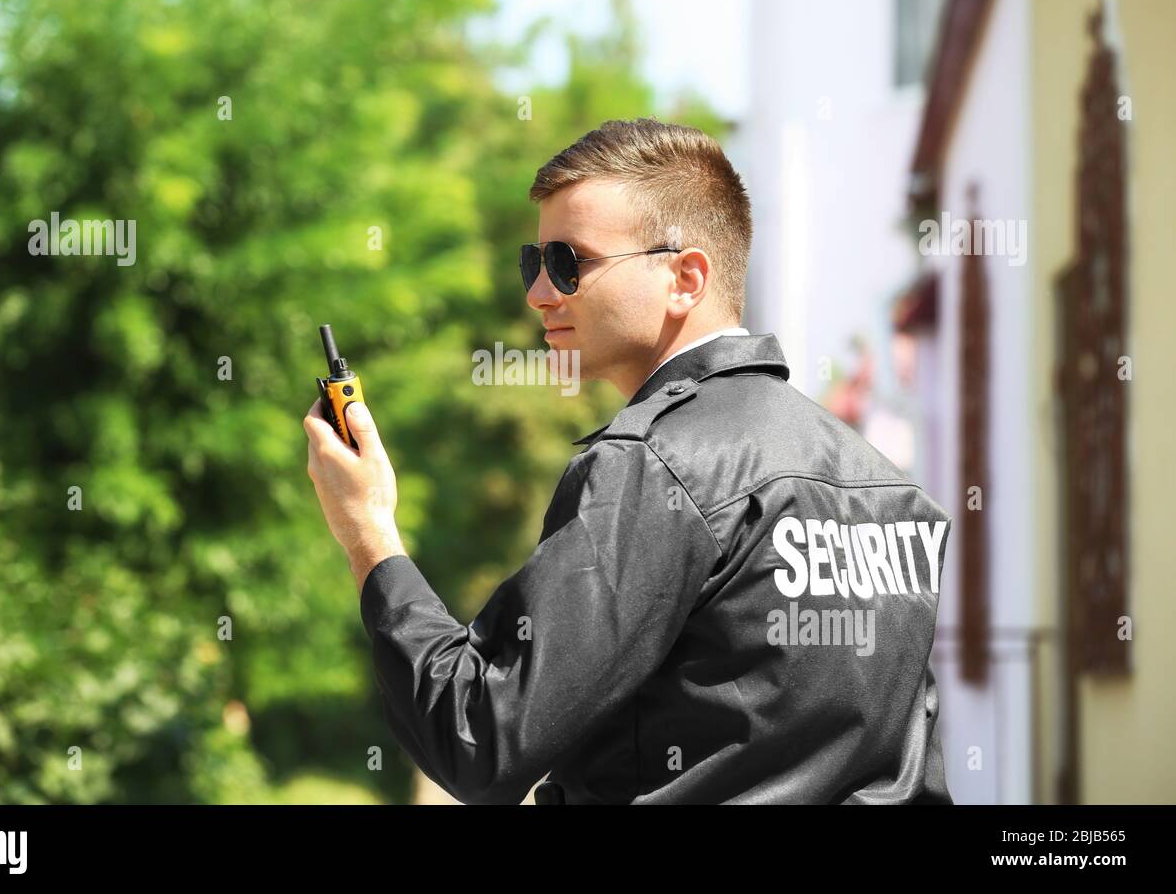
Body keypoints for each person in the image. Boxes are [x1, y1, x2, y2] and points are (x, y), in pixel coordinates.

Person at [303, 118, 952, 804]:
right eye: (535, 262)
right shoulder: (890, 491)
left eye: (568, 262)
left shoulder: (654, 467)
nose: (538, 293)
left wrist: (368, 532)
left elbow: (479, 735)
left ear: (685, 277)